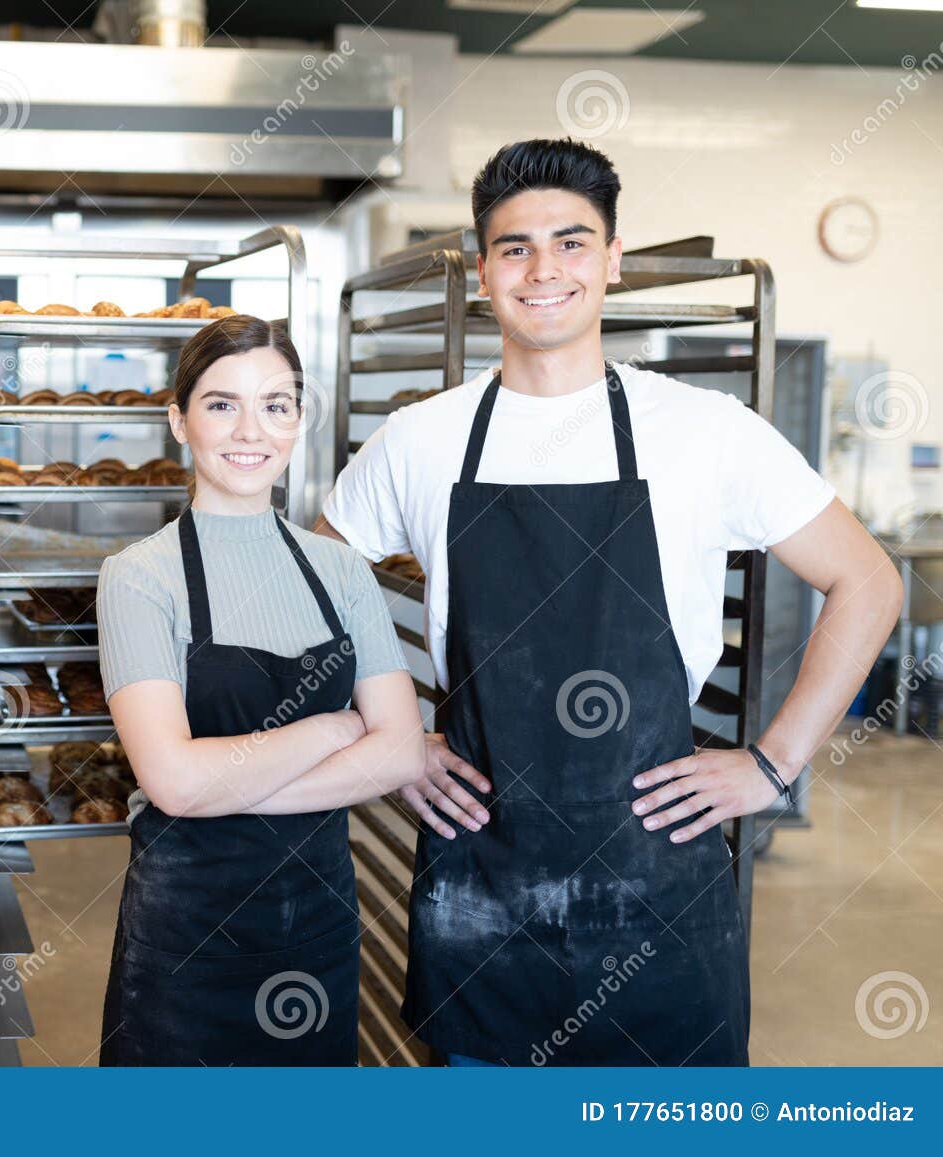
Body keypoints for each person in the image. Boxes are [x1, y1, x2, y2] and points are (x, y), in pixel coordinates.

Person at [316, 138, 902, 1066]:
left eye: (572, 241)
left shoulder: (706, 432)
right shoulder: (420, 441)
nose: (544, 269)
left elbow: (870, 580)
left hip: (659, 892)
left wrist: (775, 762)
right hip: (480, 889)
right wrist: (389, 744)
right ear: (481, 270)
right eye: (515, 247)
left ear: (613, 259)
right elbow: (313, 593)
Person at [96, 316, 465, 1066]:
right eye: (221, 403)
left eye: (277, 404)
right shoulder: (138, 576)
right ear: (178, 419)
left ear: (298, 420)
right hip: (185, 938)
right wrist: (333, 732)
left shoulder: (340, 571)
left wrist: (216, 785)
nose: (251, 429)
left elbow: (398, 752)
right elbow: (169, 779)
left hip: (315, 927)